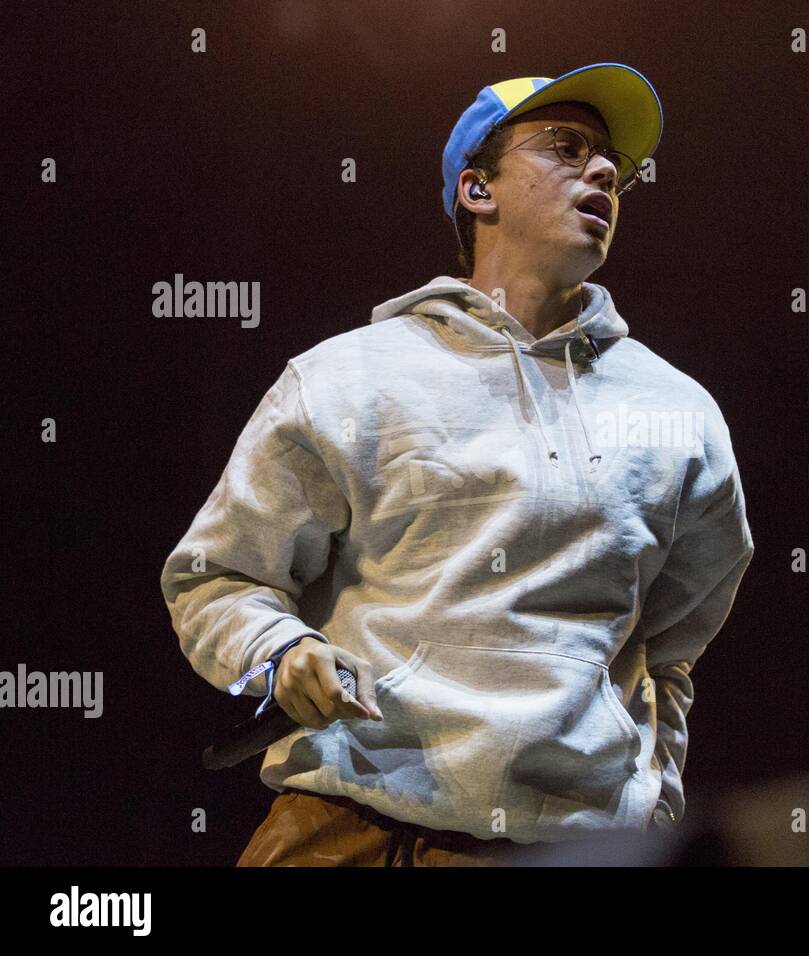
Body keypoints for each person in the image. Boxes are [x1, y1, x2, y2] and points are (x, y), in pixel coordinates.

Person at [160, 62, 755, 866]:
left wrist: (649, 819)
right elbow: (216, 576)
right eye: (567, 147)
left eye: (617, 164)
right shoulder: (348, 377)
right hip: (346, 834)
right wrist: (278, 653)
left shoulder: (679, 412)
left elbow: (670, 654)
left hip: (567, 851)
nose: (606, 171)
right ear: (479, 190)